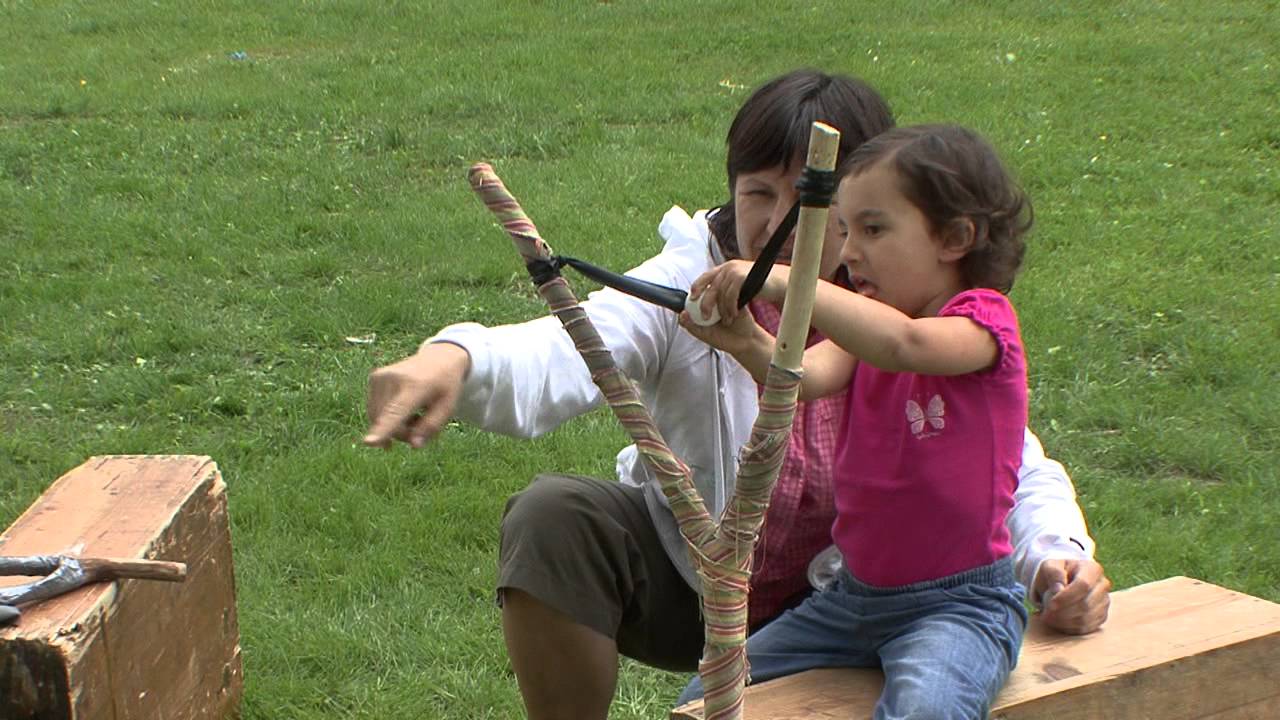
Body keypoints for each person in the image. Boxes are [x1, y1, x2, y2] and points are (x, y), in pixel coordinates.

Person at [362, 70, 1110, 720]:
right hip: (712, 588)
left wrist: (1054, 553)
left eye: (819, 206)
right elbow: (575, 346)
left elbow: (998, 459)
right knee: (559, 522)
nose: (783, 223)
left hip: (876, 592)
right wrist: (456, 357)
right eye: (758, 192)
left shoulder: (915, 317)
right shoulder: (698, 277)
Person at [678, 123, 1042, 716]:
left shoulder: (981, 323)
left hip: (958, 606)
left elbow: (904, 345)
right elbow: (801, 377)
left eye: (872, 229)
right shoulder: (873, 326)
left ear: (955, 238)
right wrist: (743, 338)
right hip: (851, 600)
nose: (848, 252)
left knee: (924, 712)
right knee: (710, 697)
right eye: (845, 230)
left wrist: (785, 279)